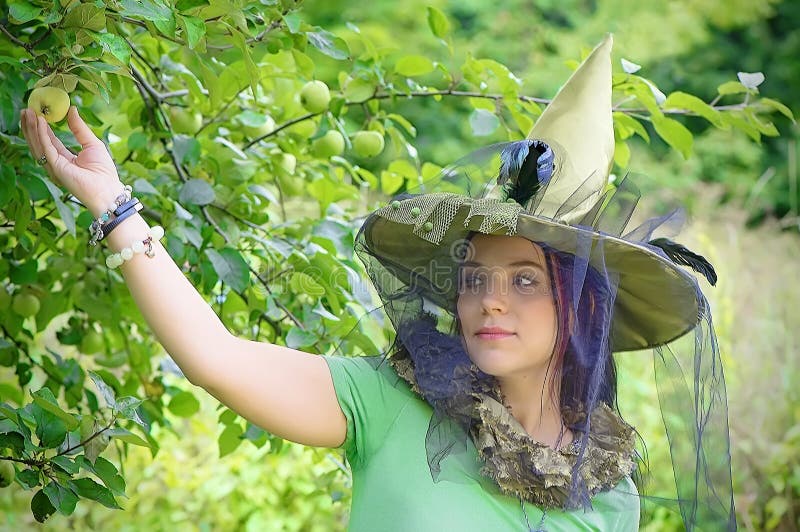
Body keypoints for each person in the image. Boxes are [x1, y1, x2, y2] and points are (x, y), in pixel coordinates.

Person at [20, 34, 735, 531]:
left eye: (524, 280)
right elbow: (215, 356)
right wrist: (114, 206)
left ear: (581, 306)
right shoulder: (390, 402)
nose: (488, 299)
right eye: (475, 277)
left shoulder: (609, 496)